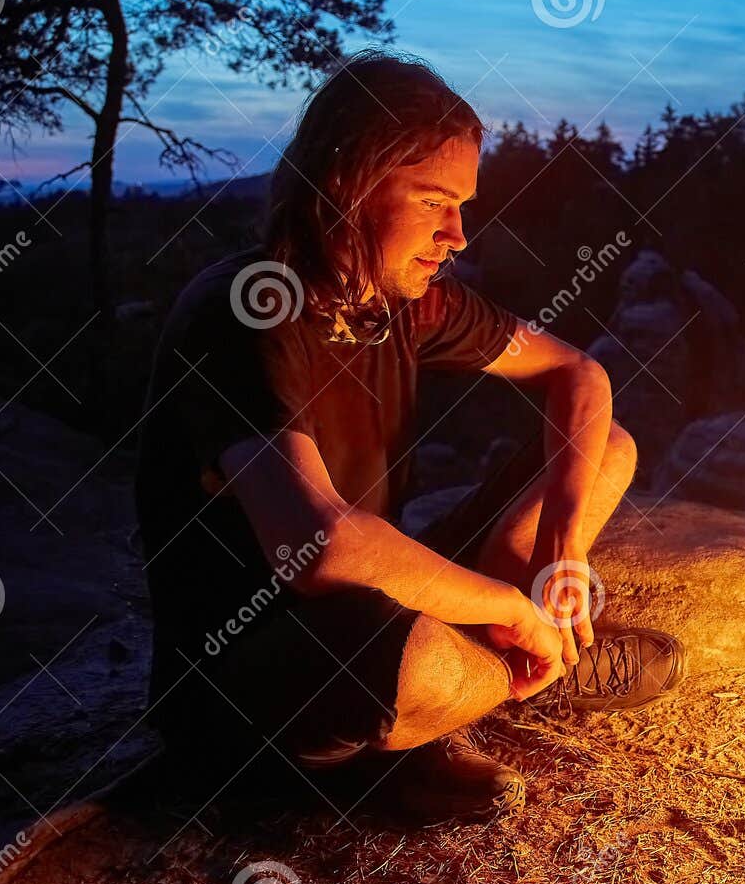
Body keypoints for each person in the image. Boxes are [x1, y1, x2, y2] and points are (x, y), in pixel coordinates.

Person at [134, 49, 684, 824]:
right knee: (417, 658)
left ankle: (488, 682)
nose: (458, 233)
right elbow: (320, 546)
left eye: (461, 204)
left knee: (608, 447)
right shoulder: (245, 312)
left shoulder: (402, 303)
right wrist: (513, 607)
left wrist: (562, 547)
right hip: (254, 666)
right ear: (349, 182)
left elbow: (581, 378)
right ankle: (522, 674)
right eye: (434, 202)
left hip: (374, 605)